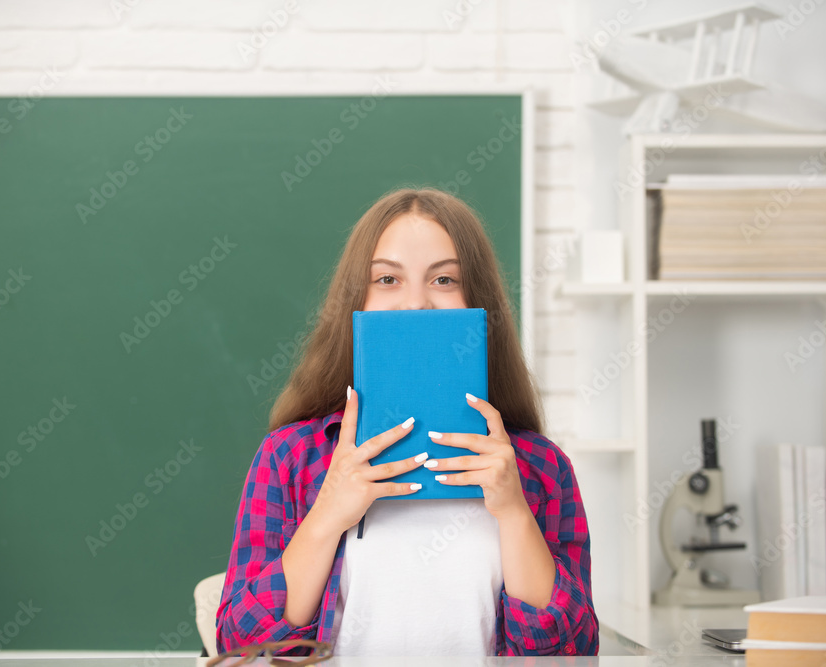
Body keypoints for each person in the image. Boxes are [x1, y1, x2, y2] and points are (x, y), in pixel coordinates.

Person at [215, 187, 598, 657]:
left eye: (444, 281)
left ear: (478, 302)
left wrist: (515, 512)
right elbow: (240, 645)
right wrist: (327, 516)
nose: (416, 304)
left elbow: (577, 652)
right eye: (387, 280)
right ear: (356, 301)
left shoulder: (541, 468)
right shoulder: (291, 457)